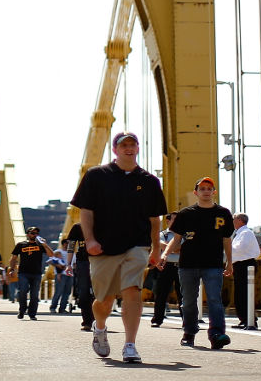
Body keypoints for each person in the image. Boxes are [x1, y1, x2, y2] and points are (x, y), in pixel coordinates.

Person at [70, 131, 167, 363]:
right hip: (104, 247)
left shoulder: (149, 181)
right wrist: (90, 240)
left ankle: (130, 345)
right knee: (104, 299)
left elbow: (155, 219)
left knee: (133, 290)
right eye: (124, 145)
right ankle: (100, 327)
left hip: (137, 245)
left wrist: (155, 248)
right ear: (115, 150)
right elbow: (86, 211)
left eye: (133, 145)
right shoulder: (96, 175)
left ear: (138, 148)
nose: (129, 149)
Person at [163, 176, 234, 349]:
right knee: (188, 301)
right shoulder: (185, 214)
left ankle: (216, 334)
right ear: (196, 192)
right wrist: (165, 254)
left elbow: (227, 240)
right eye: (202, 189)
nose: (206, 192)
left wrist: (229, 262)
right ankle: (189, 332)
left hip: (213, 264)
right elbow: (176, 239)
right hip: (188, 264)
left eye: (209, 189)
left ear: (214, 192)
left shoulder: (223, 213)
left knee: (214, 300)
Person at [8, 227, 54, 320]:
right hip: (23, 272)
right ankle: (22, 310)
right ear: (28, 234)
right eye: (33, 233)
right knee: (22, 292)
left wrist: (45, 245)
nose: (35, 235)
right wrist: (12, 269)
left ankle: (32, 313)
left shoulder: (40, 245)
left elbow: (51, 255)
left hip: (36, 273)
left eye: (36, 233)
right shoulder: (20, 245)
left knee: (34, 295)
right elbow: (13, 258)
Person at [229, 212, 261, 329]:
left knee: (245, 293)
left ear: (240, 220)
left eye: (234, 219)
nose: (232, 221)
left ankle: (250, 319)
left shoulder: (246, 233)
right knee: (240, 293)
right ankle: (244, 318)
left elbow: (240, 248)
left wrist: (226, 246)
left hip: (245, 264)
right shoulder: (240, 233)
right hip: (240, 264)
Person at [149, 214, 181, 327]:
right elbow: (159, 245)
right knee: (161, 294)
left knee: (183, 295)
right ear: (168, 221)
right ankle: (157, 319)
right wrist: (175, 248)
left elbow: (183, 248)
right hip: (165, 266)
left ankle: (187, 321)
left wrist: (167, 247)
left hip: (181, 266)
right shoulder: (162, 234)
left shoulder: (184, 235)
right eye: (174, 219)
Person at [65, 222, 95, 331]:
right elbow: (71, 246)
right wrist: (68, 264)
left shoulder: (104, 223)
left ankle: (98, 320)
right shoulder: (77, 227)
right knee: (83, 292)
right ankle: (87, 322)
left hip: (101, 261)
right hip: (83, 262)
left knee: (100, 292)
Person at [48, 241, 73, 313]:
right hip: (61, 274)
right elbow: (50, 261)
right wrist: (58, 267)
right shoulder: (58, 252)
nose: (68, 245)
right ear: (64, 244)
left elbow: (74, 263)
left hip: (70, 275)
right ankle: (53, 307)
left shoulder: (72, 253)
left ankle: (62, 308)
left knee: (67, 292)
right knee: (59, 291)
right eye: (67, 243)